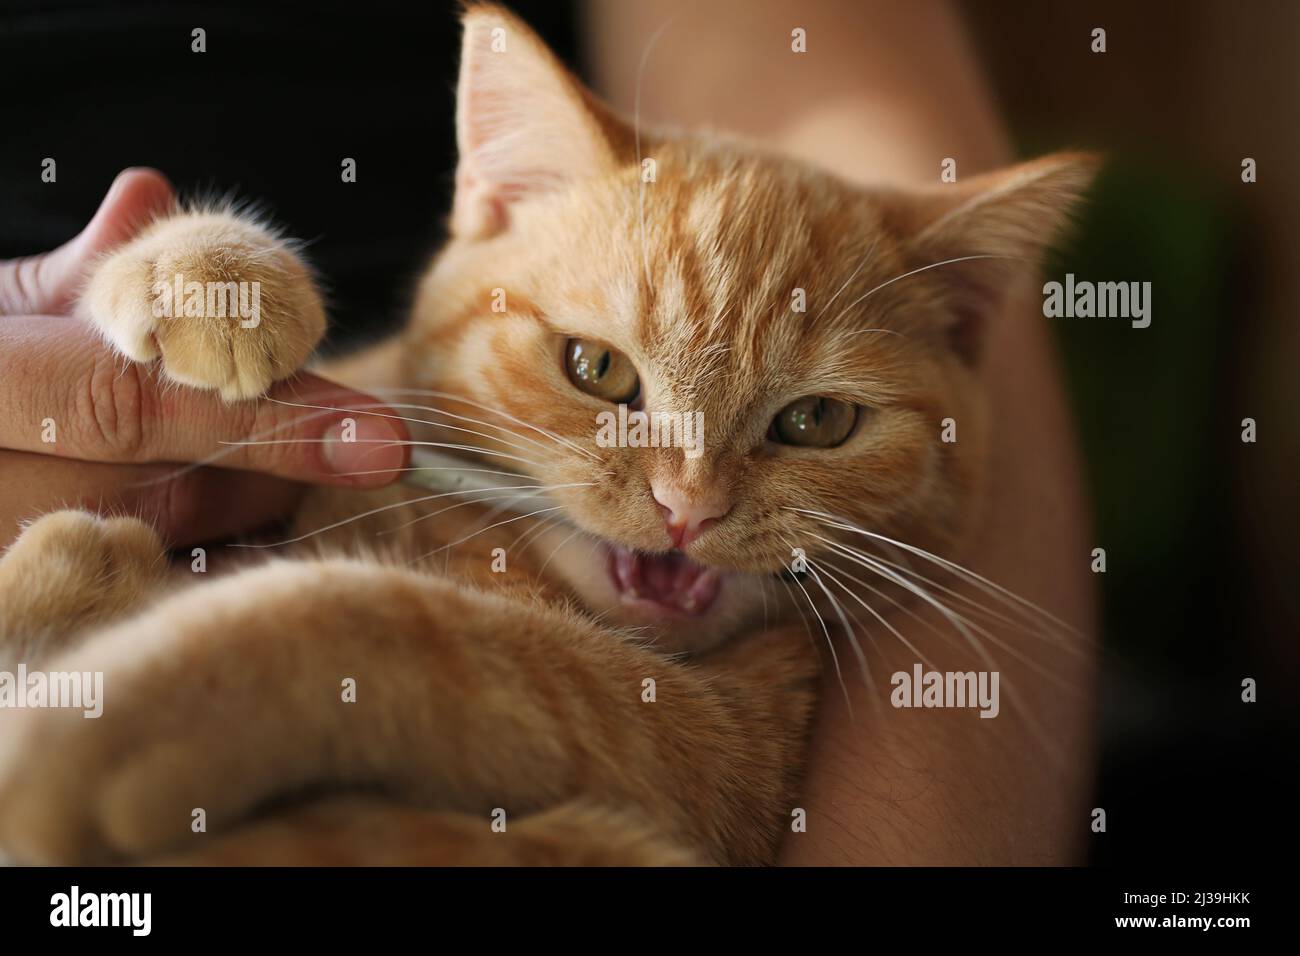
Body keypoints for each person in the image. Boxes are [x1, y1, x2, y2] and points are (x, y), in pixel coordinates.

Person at [0, 0, 1095, 864]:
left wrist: (330, 652)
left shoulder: (784, 659)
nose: (691, 494)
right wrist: (206, 285)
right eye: (599, 368)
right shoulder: (401, 420)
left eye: (813, 418)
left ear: (963, 328)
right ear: (500, 200)